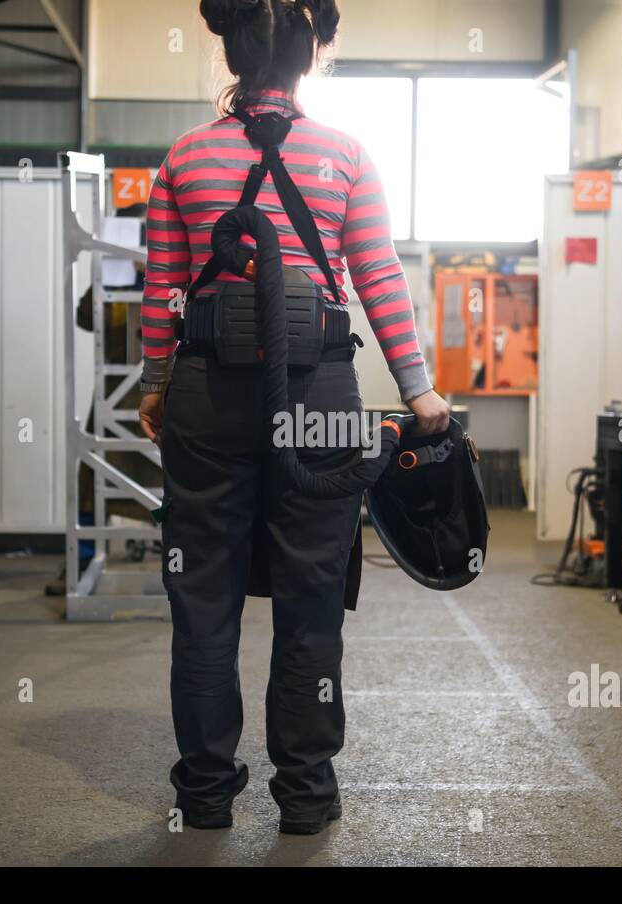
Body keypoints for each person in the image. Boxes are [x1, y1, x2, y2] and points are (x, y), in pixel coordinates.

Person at [138, 0, 450, 835]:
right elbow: (378, 275)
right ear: (311, 56)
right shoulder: (343, 155)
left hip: (206, 392)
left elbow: (164, 288)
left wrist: (156, 384)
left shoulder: (186, 156)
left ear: (231, 51)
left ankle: (204, 795)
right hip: (319, 398)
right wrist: (418, 391)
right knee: (310, 594)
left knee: (202, 595)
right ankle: (306, 795)